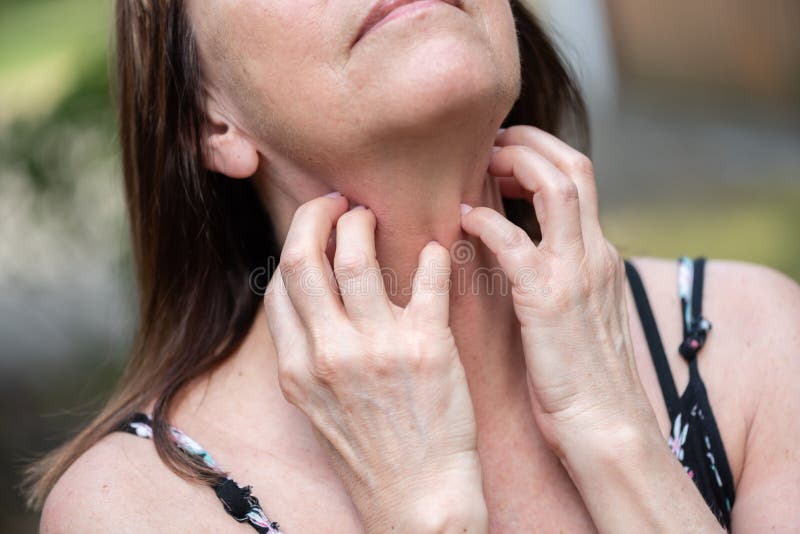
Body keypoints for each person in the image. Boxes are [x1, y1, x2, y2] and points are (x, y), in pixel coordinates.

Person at [25, 0, 800, 531]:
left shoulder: (753, 342)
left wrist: (616, 439)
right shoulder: (140, 508)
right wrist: (420, 511)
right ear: (209, 117)